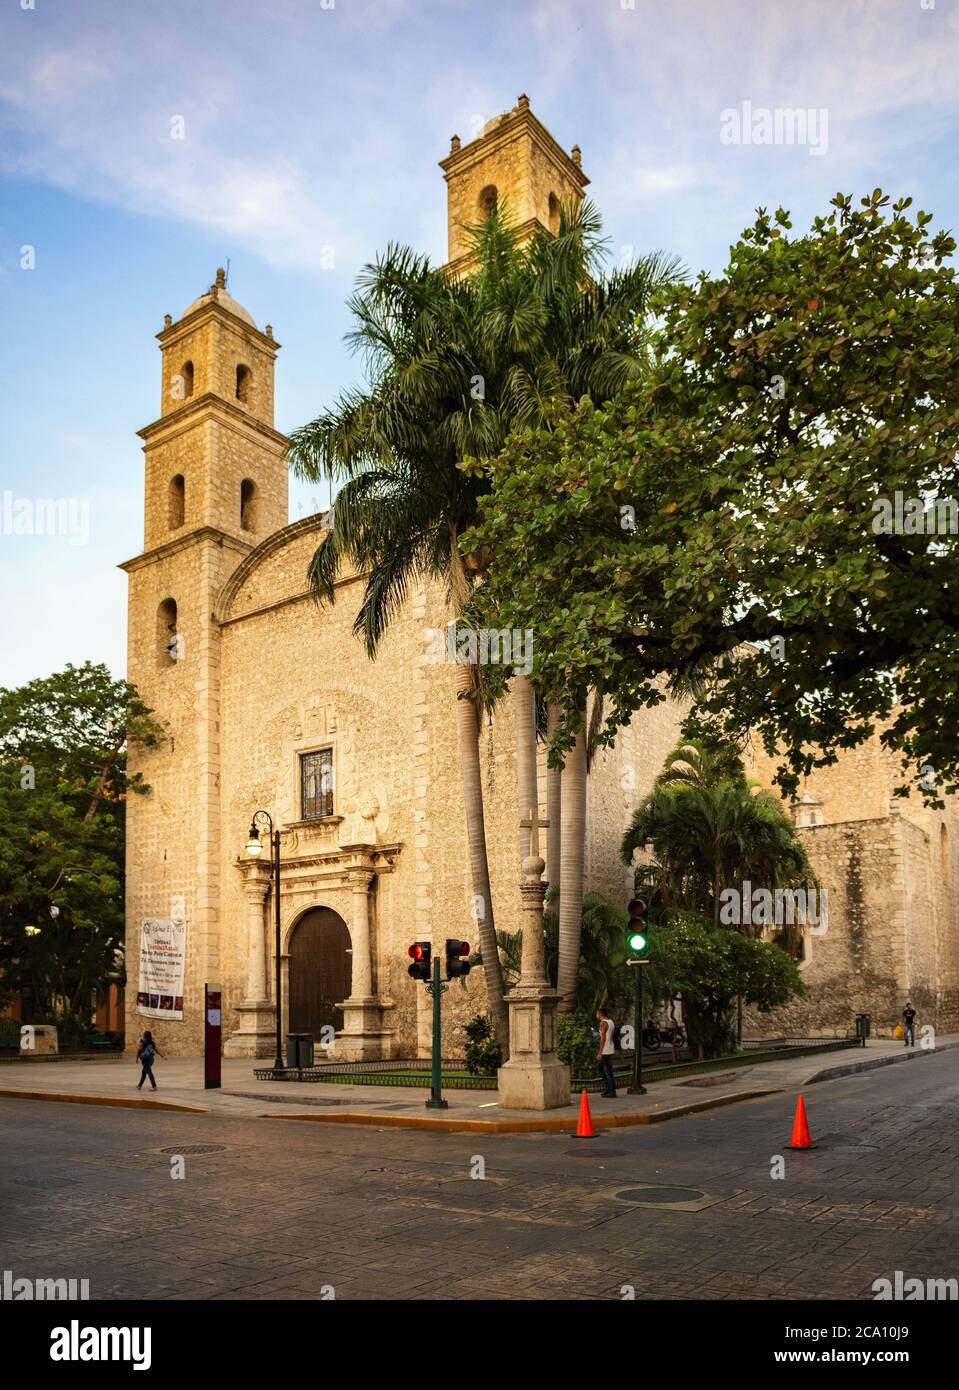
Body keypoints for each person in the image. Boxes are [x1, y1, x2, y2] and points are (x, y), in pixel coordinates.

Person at [595, 1005, 617, 1098]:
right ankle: (608, 1089)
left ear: (600, 1014)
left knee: (608, 1071)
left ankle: (611, 1092)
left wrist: (600, 1052)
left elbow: (603, 1038)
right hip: (610, 1048)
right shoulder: (610, 1022)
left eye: (597, 1013)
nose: (596, 1015)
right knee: (600, 1068)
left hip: (605, 1050)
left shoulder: (603, 1023)